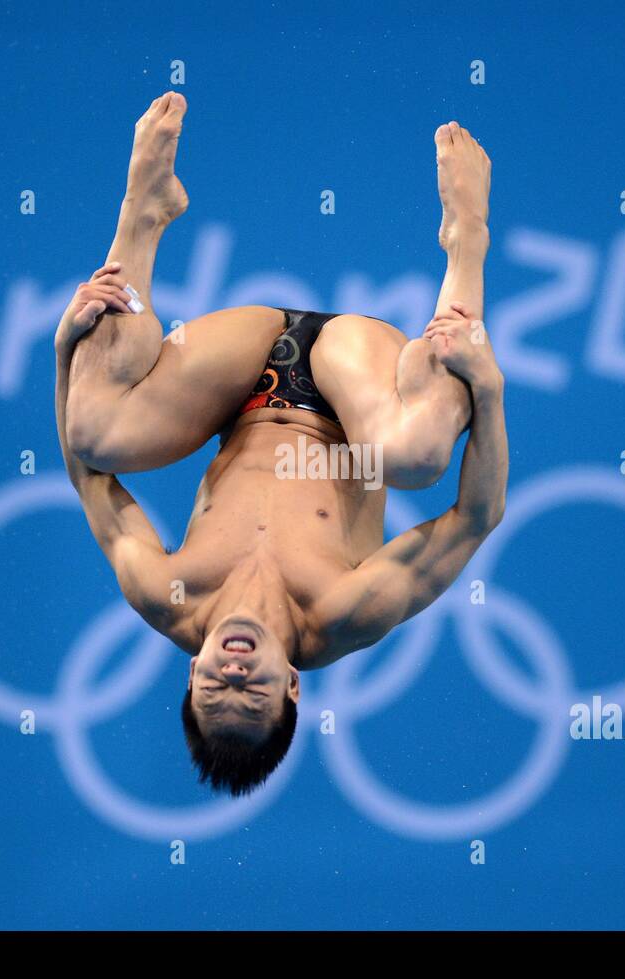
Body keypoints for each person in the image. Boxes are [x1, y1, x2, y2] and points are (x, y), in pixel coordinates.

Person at [53, 92, 507, 796]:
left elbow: (89, 478)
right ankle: (466, 241)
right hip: (351, 389)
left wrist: (65, 351)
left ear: (193, 673)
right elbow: (475, 517)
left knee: (95, 430)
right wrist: (489, 388)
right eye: (253, 694)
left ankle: (143, 213)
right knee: (413, 457)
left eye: (216, 692)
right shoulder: (345, 613)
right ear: (292, 685)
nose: (235, 676)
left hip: (240, 374)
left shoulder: (163, 595)